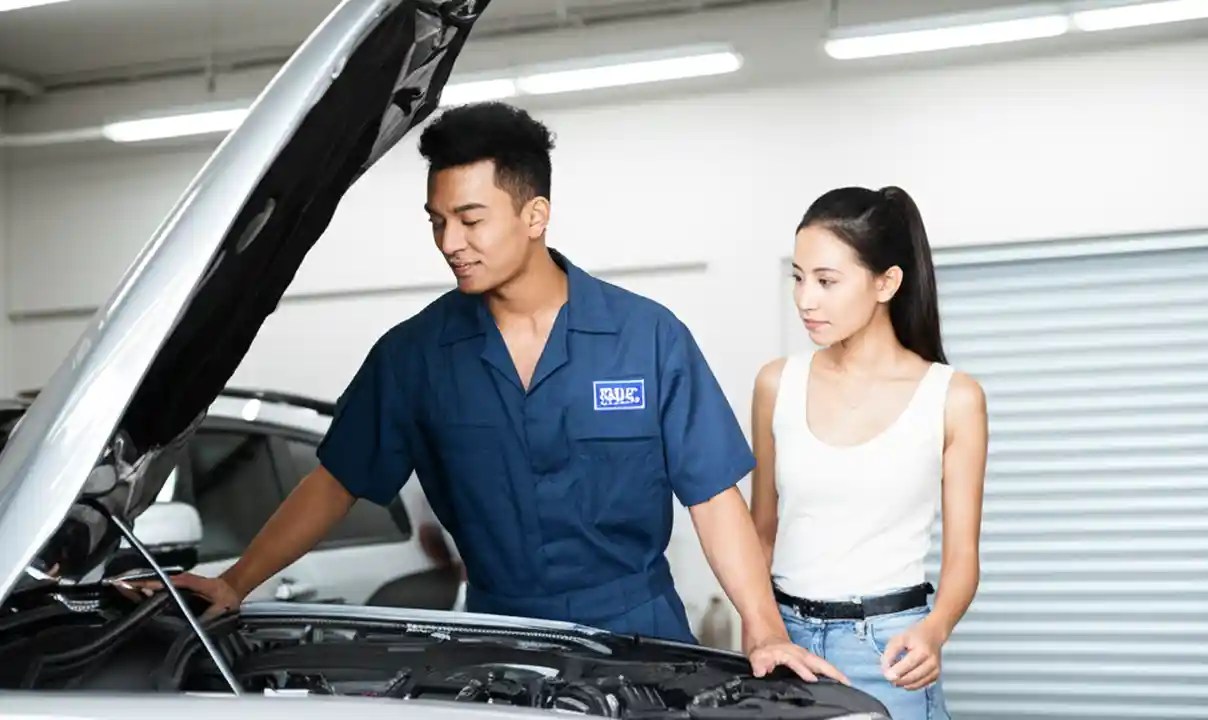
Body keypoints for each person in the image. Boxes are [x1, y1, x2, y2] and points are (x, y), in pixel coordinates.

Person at [149, 101, 846, 685]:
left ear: (534, 215)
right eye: (436, 221)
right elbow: (335, 483)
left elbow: (713, 498)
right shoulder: (414, 356)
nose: (450, 241)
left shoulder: (647, 338)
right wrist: (236, 582)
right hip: (494, 641)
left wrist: (763, 629)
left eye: (471, 218)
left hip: (641, 635)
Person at [749, 186, 988, 718]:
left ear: (887, 283)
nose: (805, 299)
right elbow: (761, 532)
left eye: (826, 281)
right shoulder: (775, 385)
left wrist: (935, 630)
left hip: (887, 651)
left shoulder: (953, 398)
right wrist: (758, 629)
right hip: (786, 647)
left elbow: (962, 559)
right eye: (798, 278)